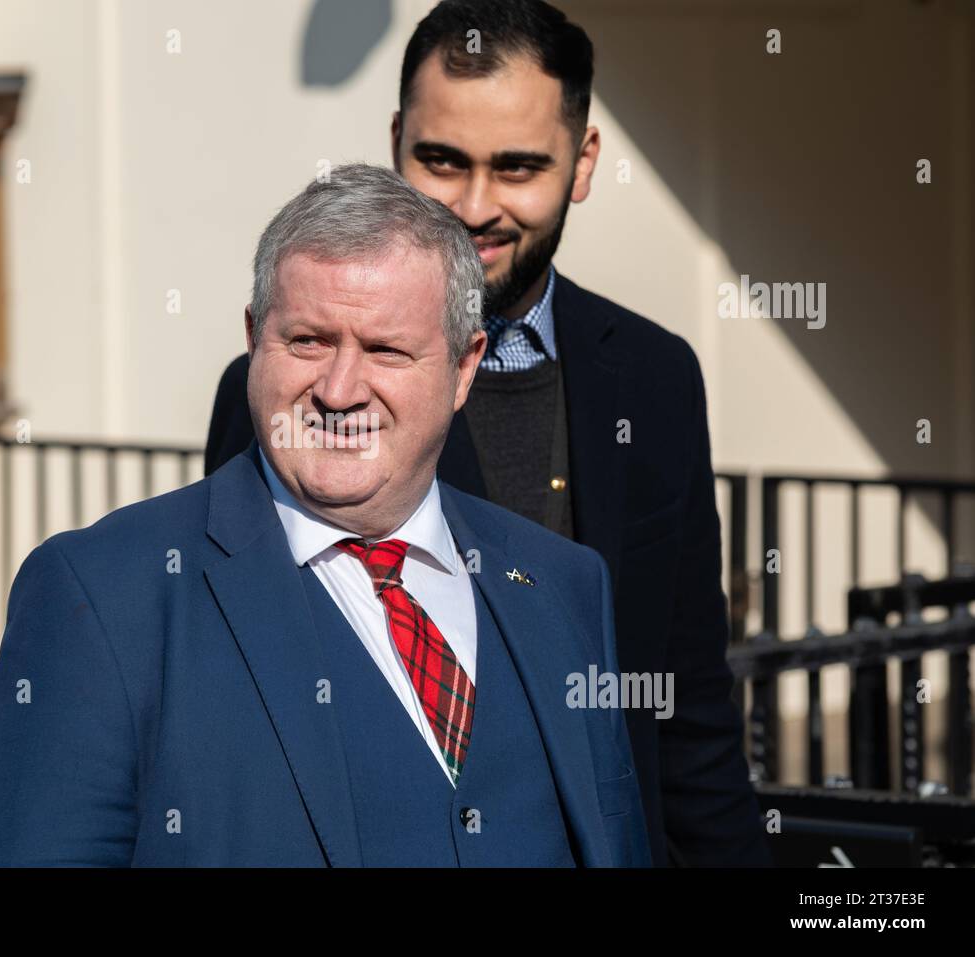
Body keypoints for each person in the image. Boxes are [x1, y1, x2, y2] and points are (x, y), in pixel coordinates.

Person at [202, 0, 768, 866]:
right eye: (441, 160)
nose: (475, 205)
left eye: (517, 167)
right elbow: (251, 693)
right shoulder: (290, 394)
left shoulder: (655, 379)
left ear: (582, 164)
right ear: (396, 143)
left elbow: (689, 713)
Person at [0, 164, 651, 866]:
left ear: (465, 368)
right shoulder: (103, 596)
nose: (340, 389)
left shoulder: (563, 585)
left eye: (385, 349)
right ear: (255, 339)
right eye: (309, 341)